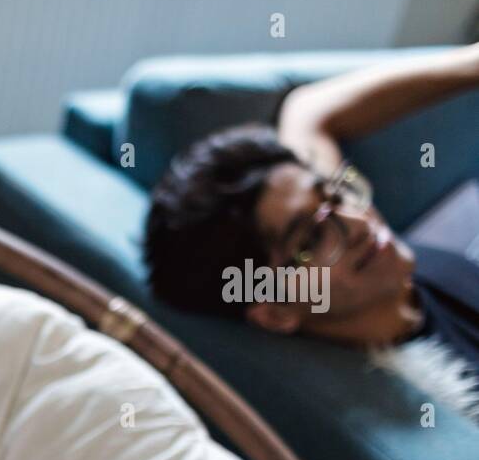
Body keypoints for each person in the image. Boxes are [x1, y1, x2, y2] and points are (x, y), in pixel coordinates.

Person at [144, 42, 479, 369]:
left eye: (335, 193)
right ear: (275, 312)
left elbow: (306, 107)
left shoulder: (315, 206)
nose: (358, 223)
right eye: (310, 241)